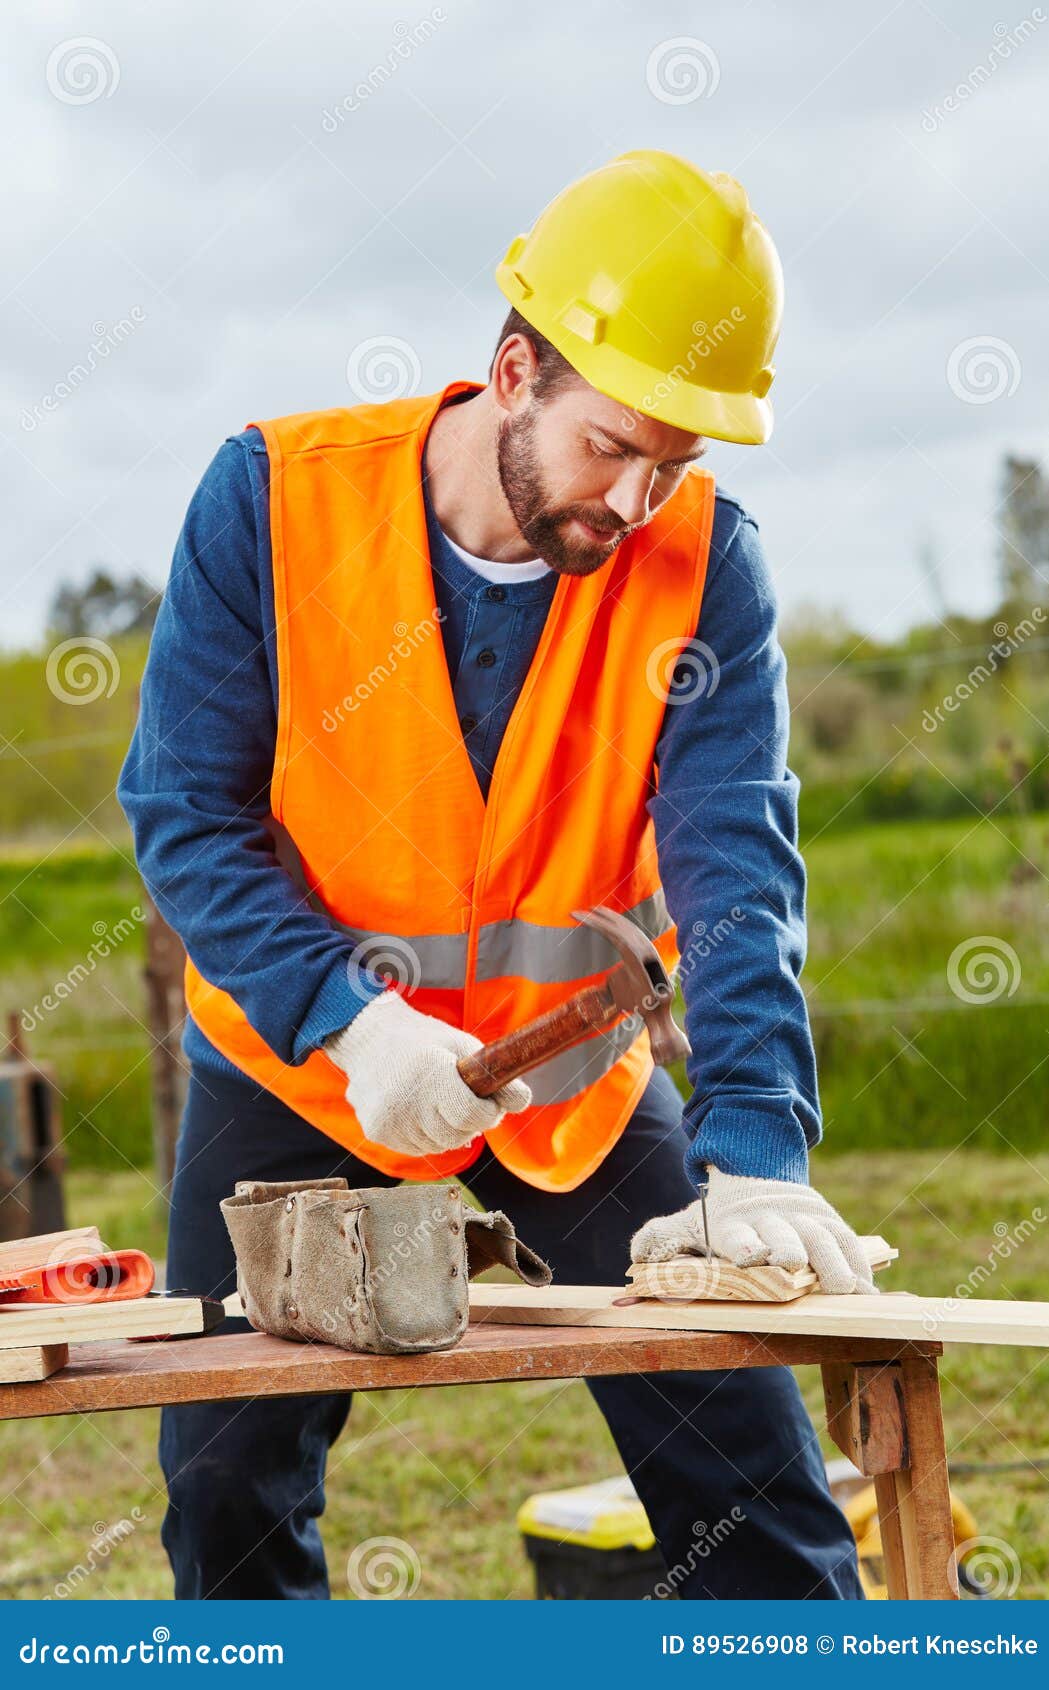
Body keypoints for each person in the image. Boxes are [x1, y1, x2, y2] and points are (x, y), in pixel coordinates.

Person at [118, 149, 870, 1600]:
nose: (640, 497)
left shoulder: (711, 567)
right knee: (226, 1492)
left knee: (754, 1479)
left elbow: (736, 873)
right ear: (514, 367)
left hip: (565, 1088)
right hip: (303, 1069)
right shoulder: (271, 501)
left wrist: (756, 1154)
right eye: (616, 444)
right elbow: (186, 818)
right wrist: (351, 1016)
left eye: (680, 462)